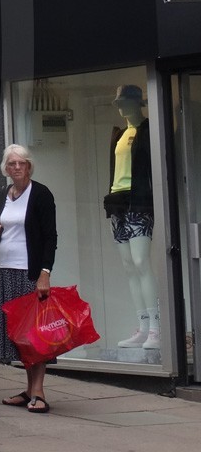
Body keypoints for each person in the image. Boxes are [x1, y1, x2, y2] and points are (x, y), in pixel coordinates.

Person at [0, 143, 57, 414]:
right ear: (6, 168)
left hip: (30, 274)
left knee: (35, 335)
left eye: (21, 163)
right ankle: (29, 391)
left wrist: (44, 274)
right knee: (20, 336)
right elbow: (6, 228)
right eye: (12, 163)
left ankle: (39, 392)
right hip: (6, 271)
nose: (16, 168)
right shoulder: (5, 193)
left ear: (29, 167)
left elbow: (51, 238)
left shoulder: (41, 194)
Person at [105, 84, 159, 350]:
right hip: (118, 202)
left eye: (127, 102)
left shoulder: (149, 131)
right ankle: (144, 325)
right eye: (119, 103)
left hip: (140, 201)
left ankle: (157, 328)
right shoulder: (120, 134)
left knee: (141, 261)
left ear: (139, 104)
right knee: (128, 265)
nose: (122, 107)